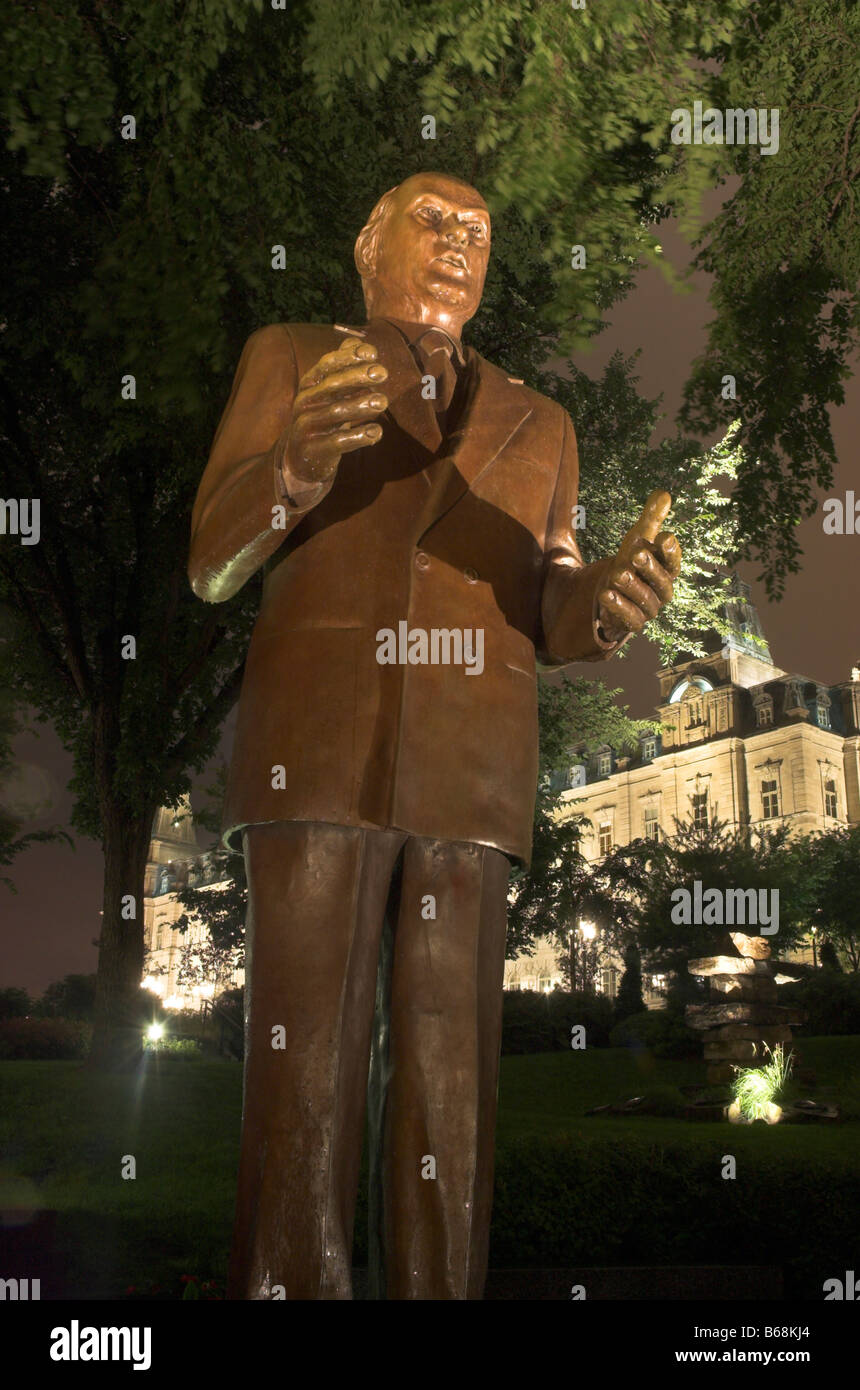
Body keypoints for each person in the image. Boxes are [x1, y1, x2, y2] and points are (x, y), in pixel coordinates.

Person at [188, 171, 681, 1299]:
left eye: (478, 229)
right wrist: (294, 468)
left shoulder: (541, 421)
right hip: (316, 747)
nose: (459, 242)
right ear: (369, 250)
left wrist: (604, 600)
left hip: (471, 766)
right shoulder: (293, 356)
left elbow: (551, 601)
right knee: (299, 1078)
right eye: (433, 221)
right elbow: (210, 562)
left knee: (449, 1091)